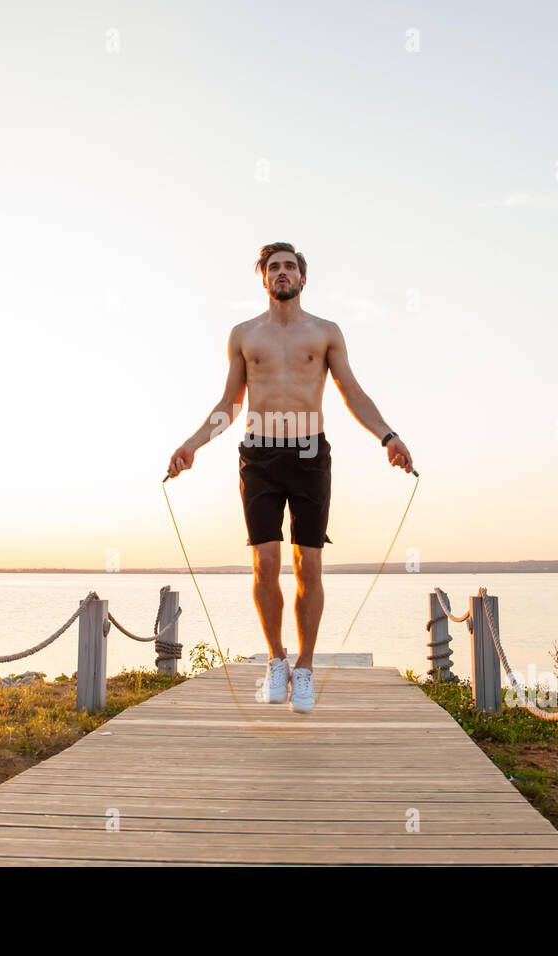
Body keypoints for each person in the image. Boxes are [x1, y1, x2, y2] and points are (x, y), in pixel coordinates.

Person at [167, 242, 413, 712]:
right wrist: (192, 444)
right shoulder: (244, 334)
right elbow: (230, 404)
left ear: (303, 278)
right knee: (264, 562)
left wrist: (388, 437)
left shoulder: (325, 333)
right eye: (274, 267)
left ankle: (304, 667)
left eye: (290, 267)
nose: (283, 273)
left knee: (309, 565)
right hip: (258, 454)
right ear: (263, 278)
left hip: (309, 453)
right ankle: (275, 660)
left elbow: (352, 393)